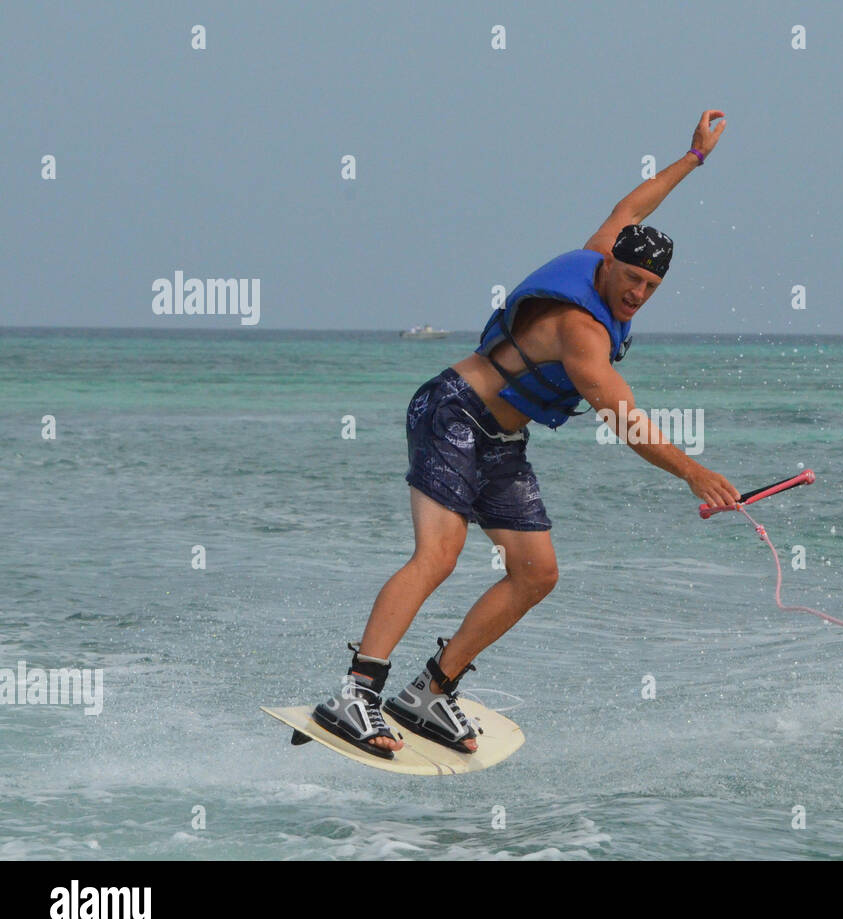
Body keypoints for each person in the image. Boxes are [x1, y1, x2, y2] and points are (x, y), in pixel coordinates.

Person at [313, 110, 741, 758]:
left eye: (651, 287)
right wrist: (695, 473)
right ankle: (356, 691)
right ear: (609, 266)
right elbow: (625, 420)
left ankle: (431, 690)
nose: (638, 295)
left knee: (537, 572)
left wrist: (694, 157)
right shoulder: (581, 331)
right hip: (452, 412)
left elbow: (634, 202)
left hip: (501, 439)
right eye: (632, 280)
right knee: (441, 554)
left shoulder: (611, 246)